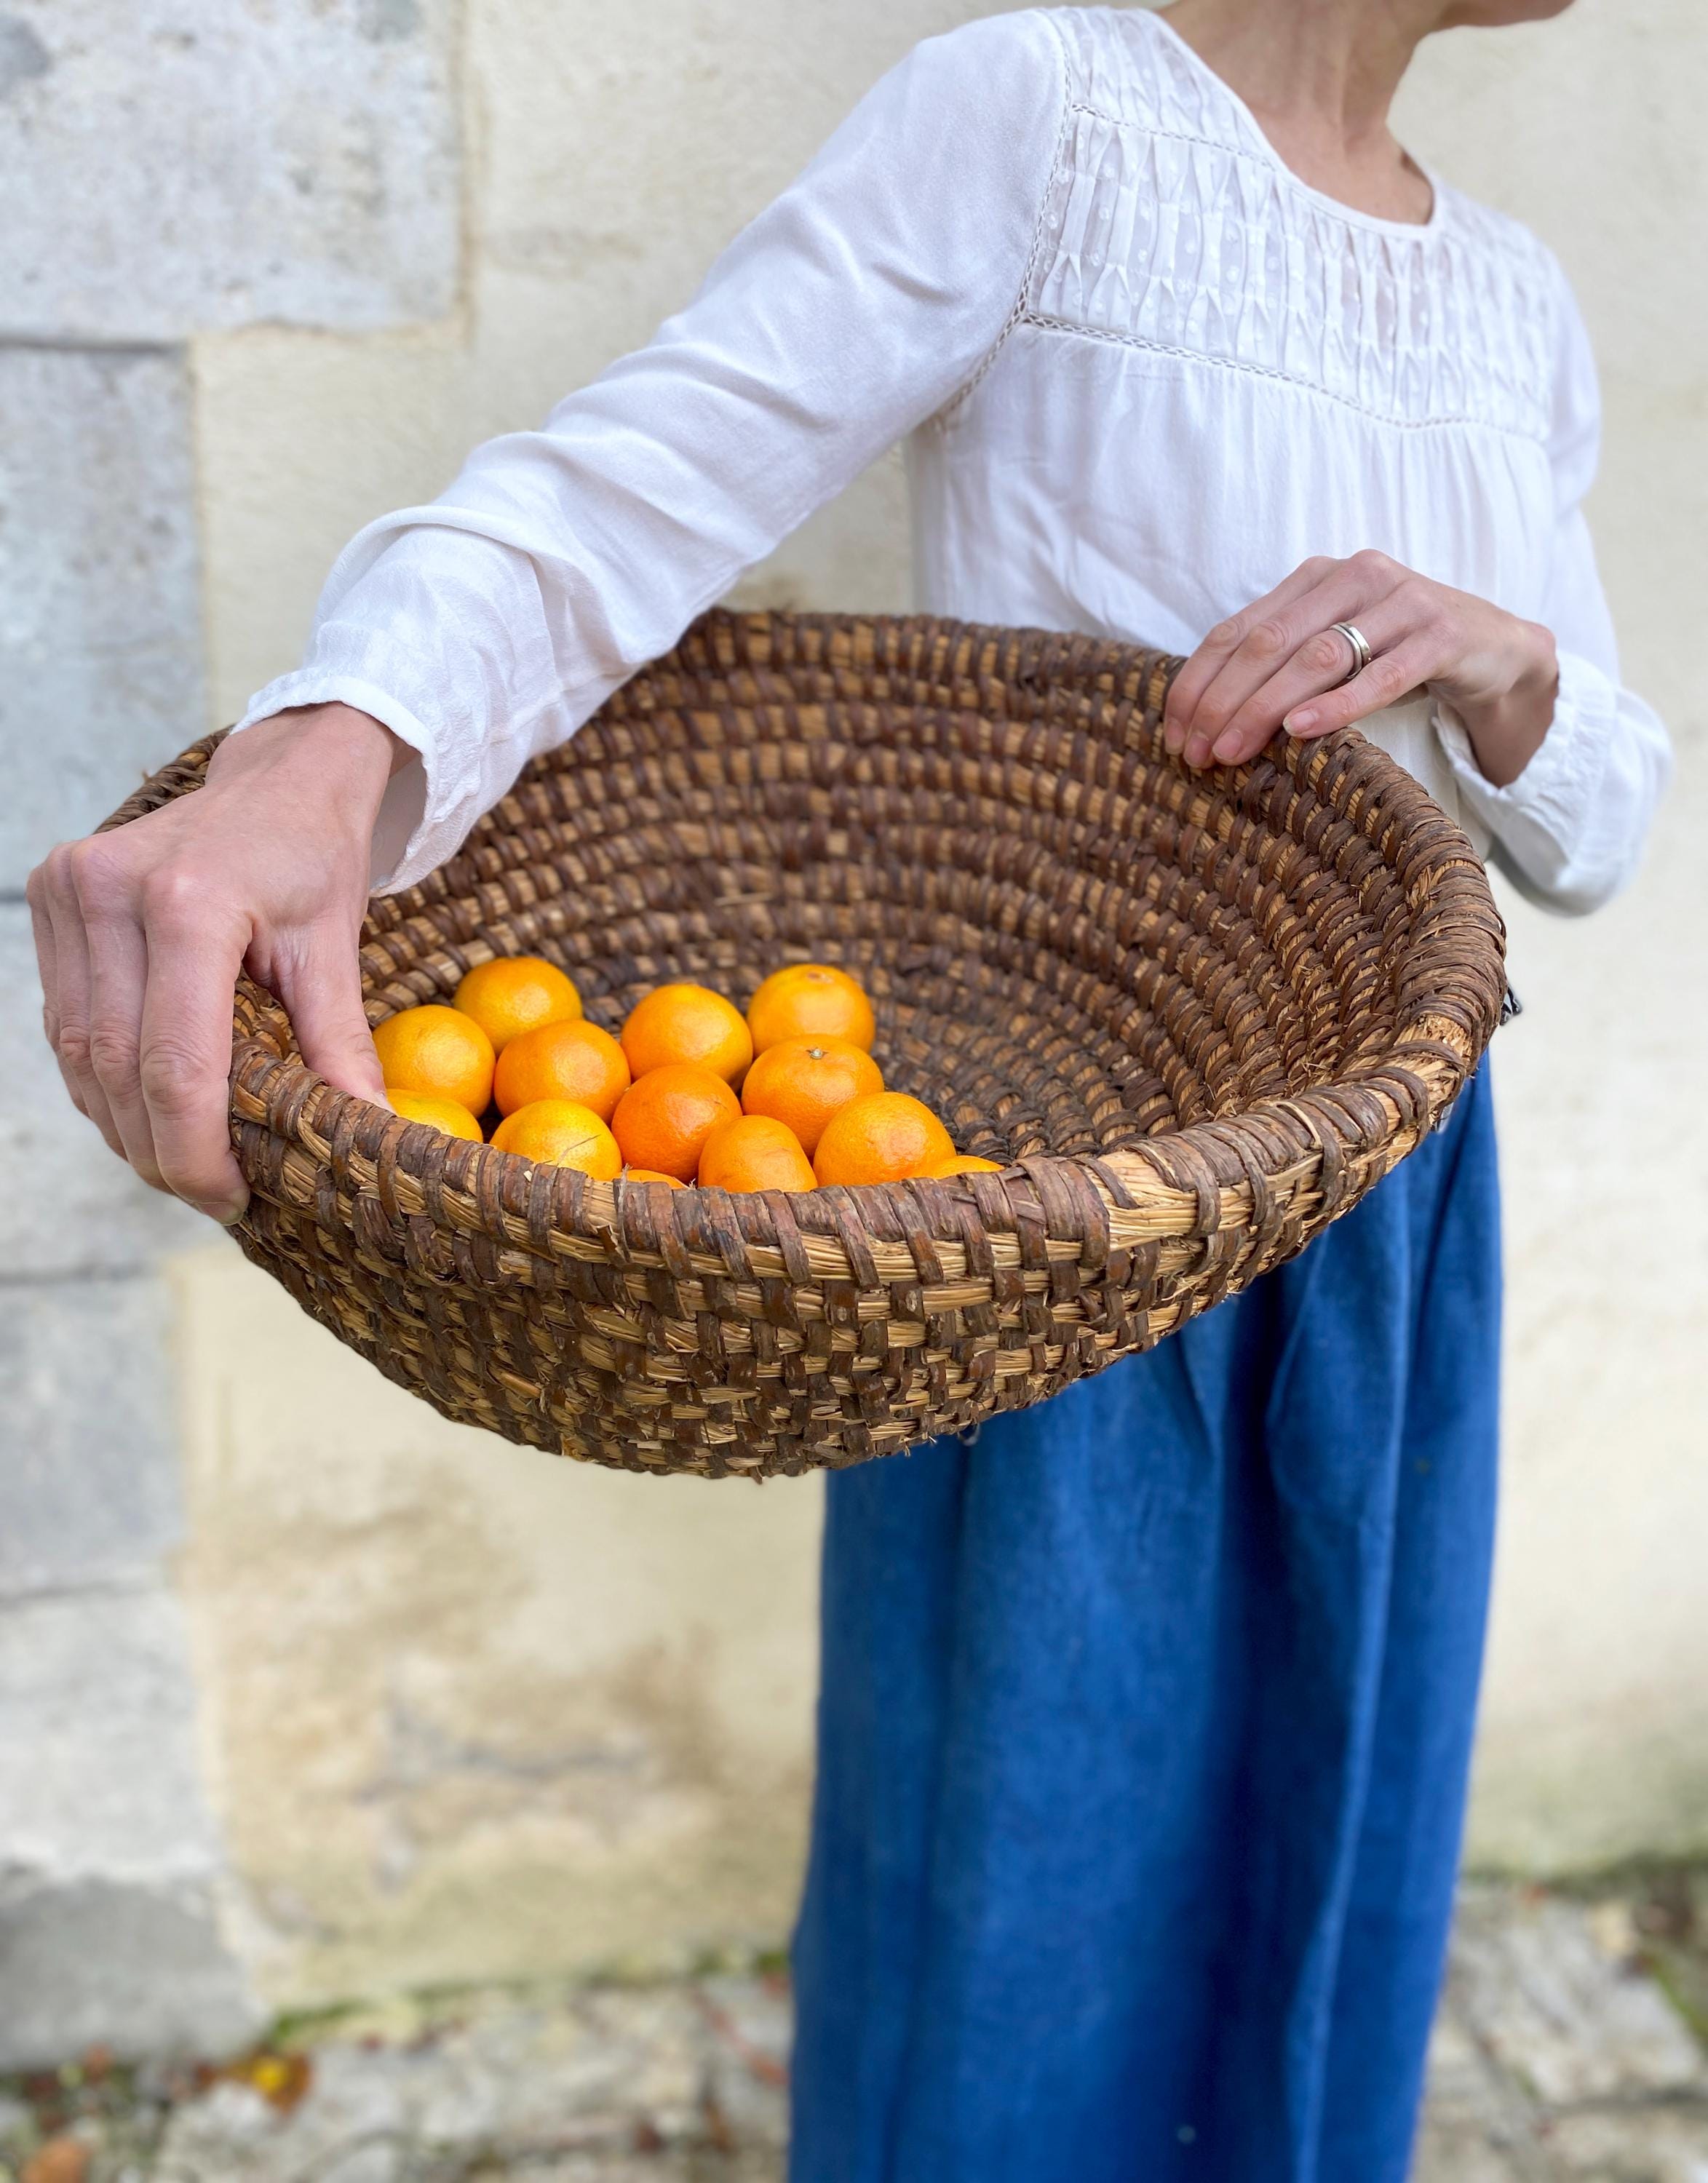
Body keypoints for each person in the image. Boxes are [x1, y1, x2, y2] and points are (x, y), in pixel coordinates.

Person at [29, 1, 1669, 2176]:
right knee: (1020, 1887)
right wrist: (321, 752)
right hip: (1048, 1235)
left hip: (1386, 1206)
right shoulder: (1050, 114)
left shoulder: (1514, 297)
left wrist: (1516, 666)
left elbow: (1596, 837)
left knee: (1333, 1815)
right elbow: (631, 485)